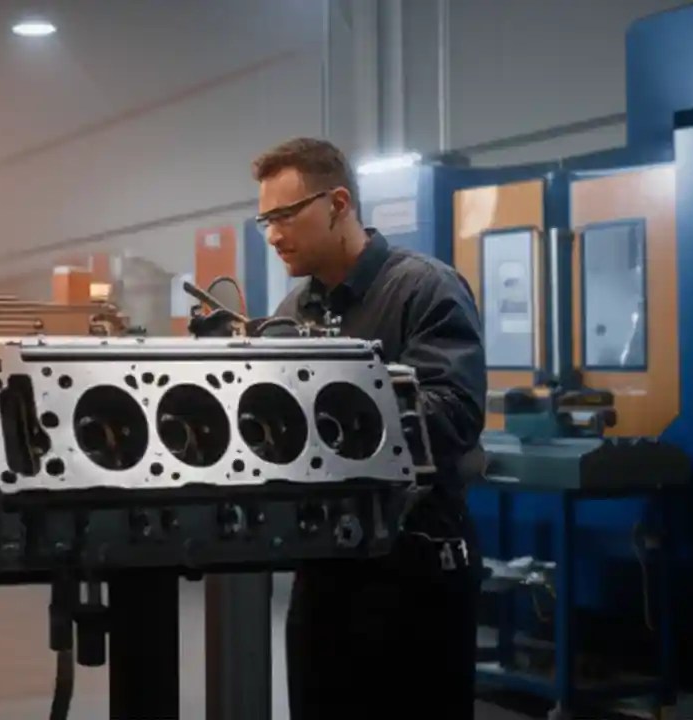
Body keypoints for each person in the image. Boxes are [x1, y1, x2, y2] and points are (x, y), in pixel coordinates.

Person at [252, 137, 486, 719]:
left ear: (338, 203)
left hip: (415, 571)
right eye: (265, 221)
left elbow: (452, 413)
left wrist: (330, 421)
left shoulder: (424, 290)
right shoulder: (291, 315)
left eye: (285, 215)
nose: (274, 235)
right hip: (324, 570)